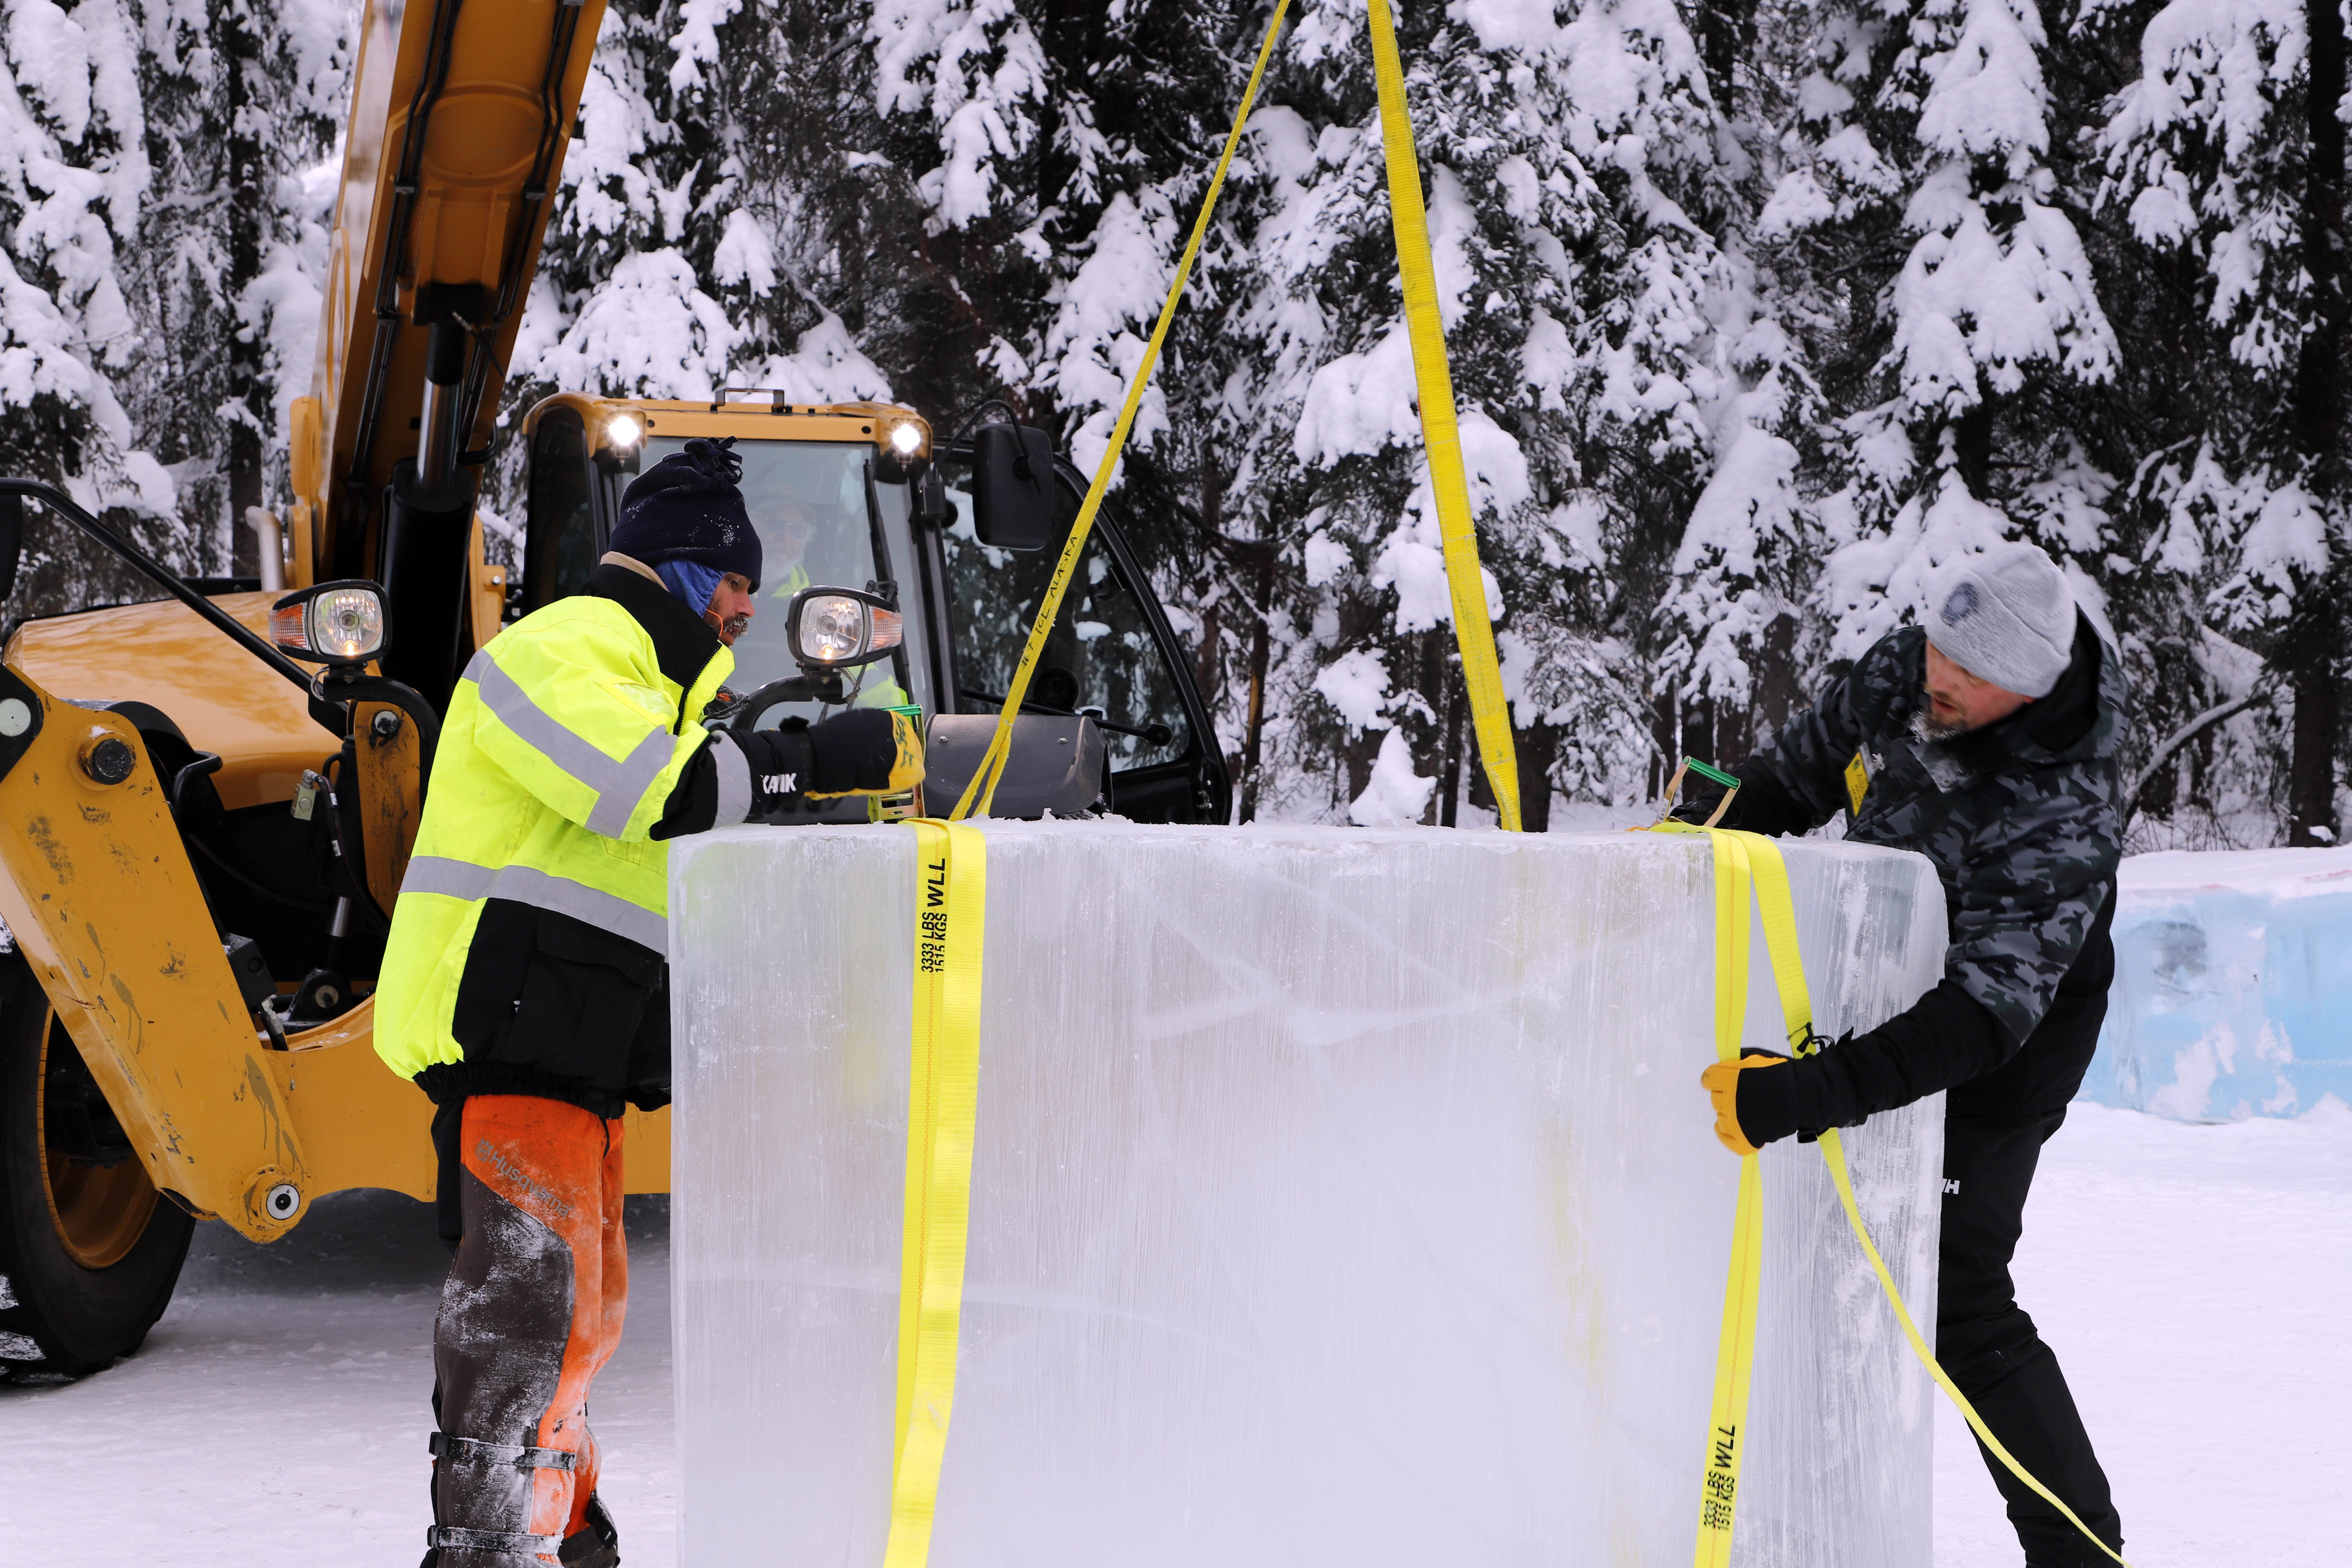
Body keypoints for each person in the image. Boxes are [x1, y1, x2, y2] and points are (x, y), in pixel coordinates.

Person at [374, 436, 920, 1568]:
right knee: (522, 1315)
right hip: (512, 1041)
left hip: (577, 1054)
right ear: (671, 567)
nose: (742, 609)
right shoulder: (564, 650)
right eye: (732, 581)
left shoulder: (657, 696)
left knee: (578, 1314)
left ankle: (562, 1536)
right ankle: (479, 1549)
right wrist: (802, 764)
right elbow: (650, 795)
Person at [1689, 540, 2127, 1567]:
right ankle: (1801, 1517)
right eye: (1938, 647)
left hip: (2003, 1046)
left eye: (1968, 675)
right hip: (1875, 978)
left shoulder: (2065, 801)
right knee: (1818, 1261)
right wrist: (1686, 849)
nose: (1938, 676)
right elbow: (1790, 780)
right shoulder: (1910, 668)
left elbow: (1984, 1014)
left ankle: (2082, 1551)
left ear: (2025, 689)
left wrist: (1805, 1095)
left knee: (1955, 1295)